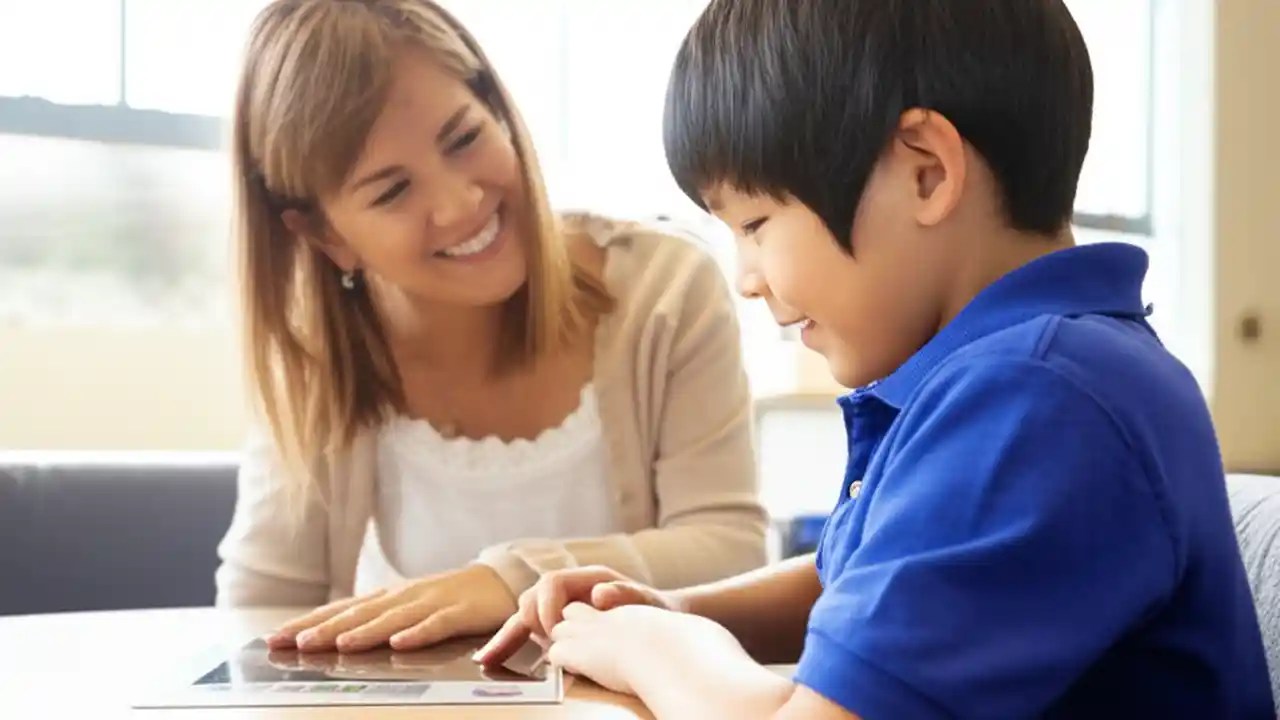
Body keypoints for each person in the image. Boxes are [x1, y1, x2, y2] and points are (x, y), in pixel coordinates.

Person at [475, 0, 1275, 717]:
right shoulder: (1030, 369)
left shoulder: (1037, 399)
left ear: (927, 171)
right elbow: (859, 576)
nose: (747, 280)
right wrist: (681, 613)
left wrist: (653, 651)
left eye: (755, 224)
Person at [214, 0, 766, 656]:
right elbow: (263, 609)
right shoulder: (316, 357)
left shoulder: (666, 290)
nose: (459, 204)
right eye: (392, 192)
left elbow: (730, 552)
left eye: (465, 138)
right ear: (327, 235)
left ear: (500, 114)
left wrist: (513, 580)